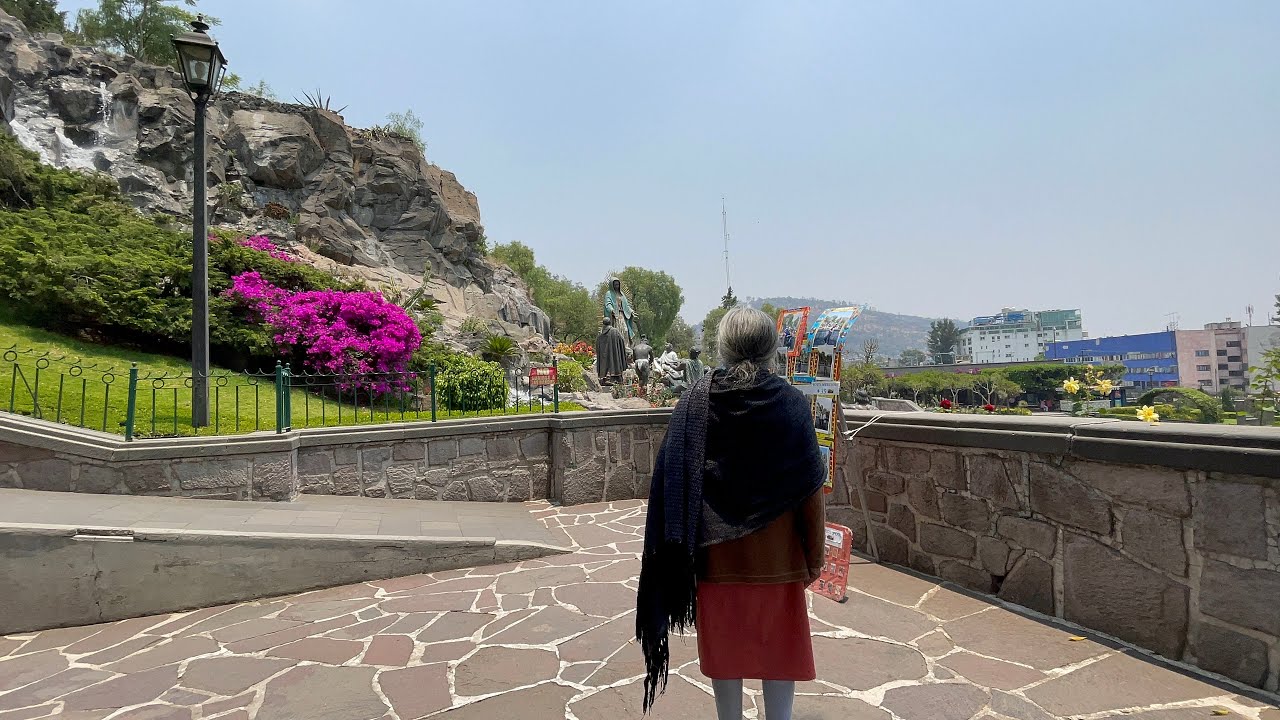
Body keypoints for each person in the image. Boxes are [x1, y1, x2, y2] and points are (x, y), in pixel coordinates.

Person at [637, 307, 826, 720]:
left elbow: (671, 478)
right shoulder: (792, 404)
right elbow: (810, 491)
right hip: (779, 562)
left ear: (724, 347)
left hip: (715, 561)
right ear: (769, 349)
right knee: (780, 659)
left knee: (725, 661)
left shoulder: (695, 402)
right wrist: (814, 559)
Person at [603, 277, 638, 344]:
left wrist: (631, 311)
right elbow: (608, 304)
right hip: (614, 316)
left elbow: (626, 305)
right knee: (617, 331)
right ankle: (618, 345)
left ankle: (625, 346)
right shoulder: (609, 293)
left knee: (625, 330)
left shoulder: (621, 294)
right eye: (615, 285)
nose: (617, 286)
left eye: (618, 284)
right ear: (612, 285)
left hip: (622, 315)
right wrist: (611, 310)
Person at [594, 317, 628, 386]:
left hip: (604, 356)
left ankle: (604, 378)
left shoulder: (600, 334)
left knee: (605, 363)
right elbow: (621, 340)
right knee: (615, 362)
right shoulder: (615, 331)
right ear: (610, 322)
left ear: (603, 323)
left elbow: (597, 345)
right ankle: (615, 378)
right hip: (614, 354)